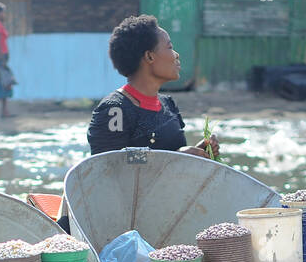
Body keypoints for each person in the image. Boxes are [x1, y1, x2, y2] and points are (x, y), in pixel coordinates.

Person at [87, 14, 218, 157]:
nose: (176, 55)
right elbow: (107, 166)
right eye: (170, 47)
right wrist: (175, 157)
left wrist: (197, 153)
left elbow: (176, 162)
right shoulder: (114, 109)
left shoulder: (168, 104)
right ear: (150, 57)